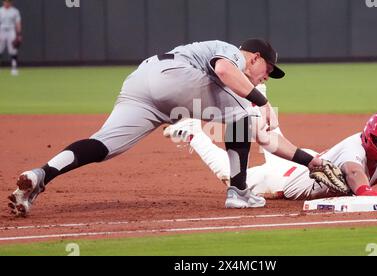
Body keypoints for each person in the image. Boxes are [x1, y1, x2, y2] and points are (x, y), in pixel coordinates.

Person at [8, 38, 329, 217]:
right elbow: (224, 71)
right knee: (242, 113)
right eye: (268, 70)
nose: (265, 77)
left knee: (102, 146)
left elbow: (264, 137)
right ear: (256, 58)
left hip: (144, 83)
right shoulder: (233, 54)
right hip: (178, 76)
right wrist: (260, 100)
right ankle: (238, 192)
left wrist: (308, 161)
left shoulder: (240, 86)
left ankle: (40, 175)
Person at [164, 111, 377, 201]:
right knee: (230, 175)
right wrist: (370, 194)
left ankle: (259, 106)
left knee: (274, 141)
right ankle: (193, 132)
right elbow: (355, 175)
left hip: (308, 162)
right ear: (368, 137)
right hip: (285, 178)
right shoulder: (355, 150)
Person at [0, 0, 21, 76]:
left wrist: (19, 34)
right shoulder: (0, 11)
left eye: (8, 1)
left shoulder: (15, 11)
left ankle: (14, 68)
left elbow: (18, 23)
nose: (6, 3)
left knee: (13, 50)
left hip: (11, 31)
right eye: (5, 1)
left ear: (11, 2)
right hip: (1, 30)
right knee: (0, 49)